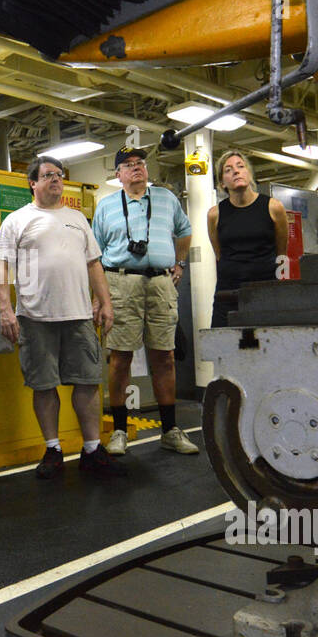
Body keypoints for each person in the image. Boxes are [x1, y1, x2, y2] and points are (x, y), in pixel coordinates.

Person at [0, 155, 123, 480]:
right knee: (43, 383)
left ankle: (92, 448)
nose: (55, 179)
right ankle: (52, 449)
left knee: (88, 381)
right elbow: (1, 266)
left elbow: (95, 263)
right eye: (48, 175)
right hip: (35, 317)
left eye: (59, 174)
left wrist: (105, 301)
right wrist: (6, 310)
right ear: (32, 183)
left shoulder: (77, 218)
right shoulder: (16, 220)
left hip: (79, 315)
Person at [93, 146, 200, 457]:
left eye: (140, 162)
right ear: (118, 174)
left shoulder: (166, 199)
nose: (136, 168)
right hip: (120, 282)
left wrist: (179, 263)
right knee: (120, 358)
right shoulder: (106, 205)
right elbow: (95, 255)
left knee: (164, 356)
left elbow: (184, 231)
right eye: (128, 164)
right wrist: (99, 298)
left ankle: (169, 431)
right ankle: (119, 431)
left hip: (160, 283)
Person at [207, 150, 289, 327]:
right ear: (222, 182)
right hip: (227, 293)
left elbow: (282, 254)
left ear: (249, 174)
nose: (236, 171)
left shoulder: (274, 207)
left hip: (265, 291)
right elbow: (219, 255)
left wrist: (282, 289)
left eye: (240, 166)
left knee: (268, 344)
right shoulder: (215, 214)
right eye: (228, 170)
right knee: (222, 346)